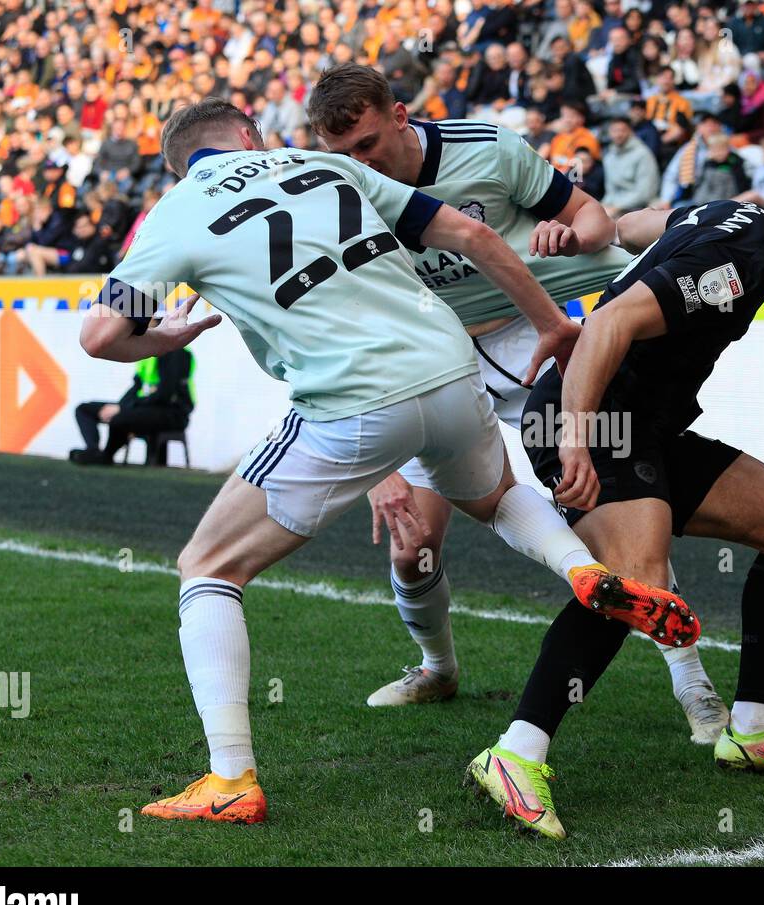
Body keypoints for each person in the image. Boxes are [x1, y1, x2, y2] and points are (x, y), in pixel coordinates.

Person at [83, 98, 699, 825]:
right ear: (249, 136)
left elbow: (100, 335)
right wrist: (547, 323)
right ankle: (583, 568)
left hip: (349, 400)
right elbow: (469, 232)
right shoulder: (325, 167)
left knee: (208, 567)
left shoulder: (174, 214)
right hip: (447, 366)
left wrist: (168, 339)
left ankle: (229, 779)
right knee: (496, 496)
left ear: (178, 165)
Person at [467, 168, 764, 839]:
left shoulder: (741, 216)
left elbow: (641, 225)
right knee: (637, 583)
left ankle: (756, 729)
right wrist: (577, 442)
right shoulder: (738, 258)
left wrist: (592, 233)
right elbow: (613, 320)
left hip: (642, 426)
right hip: (596, 421)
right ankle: (514, 755)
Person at [307, 67, 726, 736]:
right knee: (410, 549)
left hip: (546, 333)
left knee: (613, 512)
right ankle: (437, 668)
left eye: (366, 144)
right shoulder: (336, 198)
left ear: (400, 115)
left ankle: (694, 685)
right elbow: (346, 323)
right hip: (439, 359)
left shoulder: (487, 148)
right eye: (342, 153)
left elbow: (591, 216)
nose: (358, 163)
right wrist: (378, 461)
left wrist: (577, 235)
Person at [71, 349, 195, 466]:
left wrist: (123, 409)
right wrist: (120, 406)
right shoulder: (149, 351)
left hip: (173, 412)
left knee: (120, 417)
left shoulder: (175, 351)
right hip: (145, 405)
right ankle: (93, 451)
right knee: (84, 410)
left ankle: (106, 456)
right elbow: (136, 387)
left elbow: (165, 395)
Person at [601, 116, 660, 217]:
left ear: (630, 132)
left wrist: (617, 207)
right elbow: (610, 190)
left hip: (640, 207)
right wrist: (602, 206)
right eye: (614, 131)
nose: (618, 134)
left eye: (622, 130)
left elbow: (645, 193)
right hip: (614, 207)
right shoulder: (609, 156)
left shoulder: (643, 154)